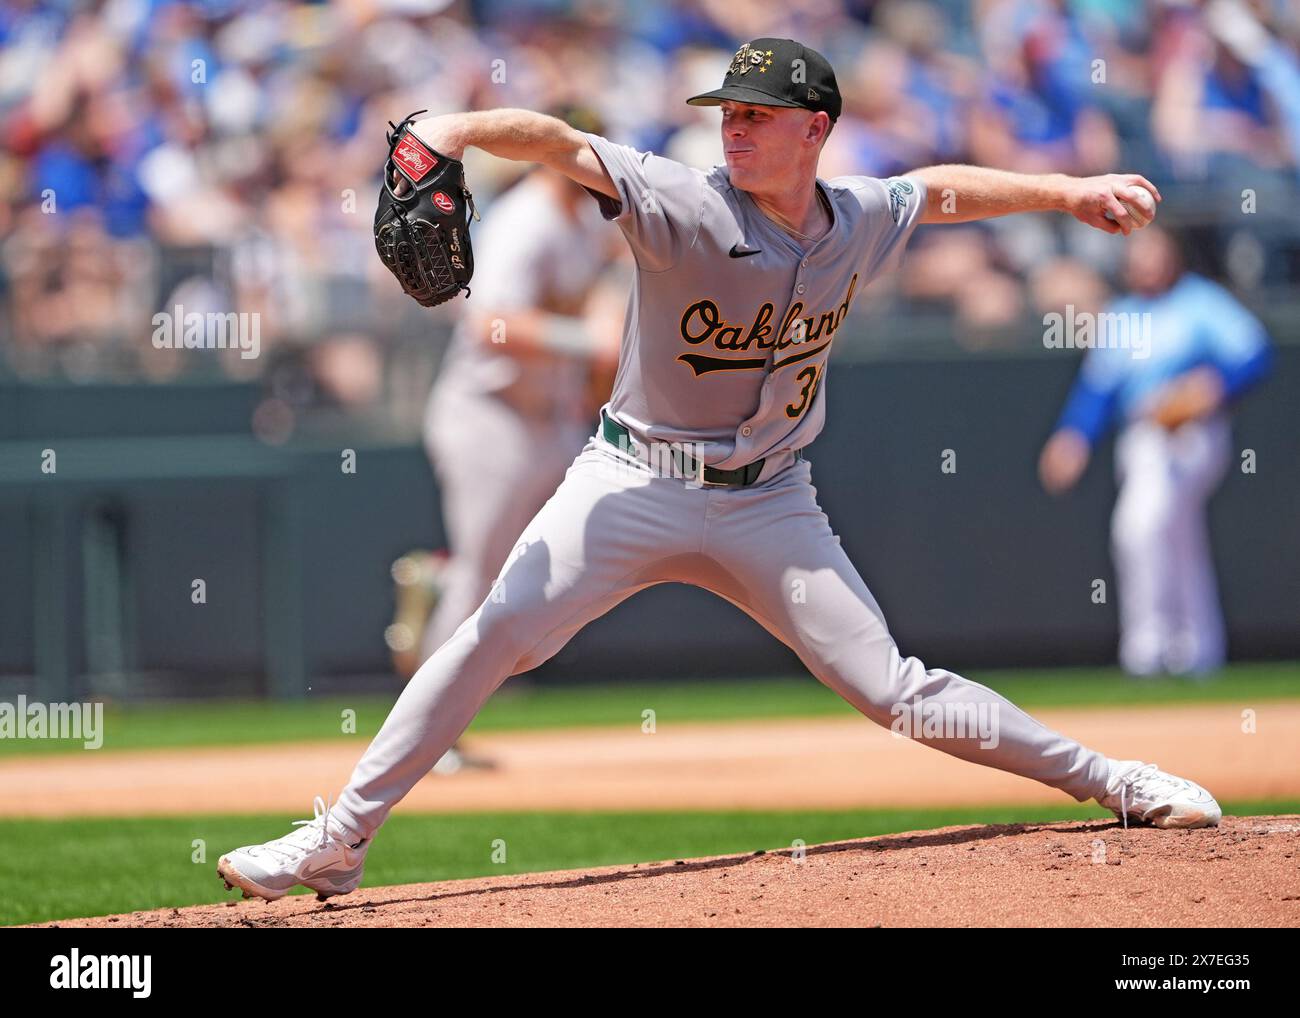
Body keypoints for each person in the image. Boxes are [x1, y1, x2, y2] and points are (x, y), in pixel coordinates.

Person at [218, 38, 1223, 904]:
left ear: (814, 128)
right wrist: (456, 127)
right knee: (494, 635)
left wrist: (1072, 192)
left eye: (757, 115)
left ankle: (1113, 779)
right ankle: (339, 838)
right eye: (727, 113)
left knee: (894, 690)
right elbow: (562, 144)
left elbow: (946, 189)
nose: (734, 131)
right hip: (629, 482)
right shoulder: (679, 201)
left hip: (772, 499)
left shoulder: (858, 215)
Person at [383, 109, 621, 772]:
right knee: (485, 577)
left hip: (547, 417)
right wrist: (586, 342)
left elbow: (603, 294)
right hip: (490, 415)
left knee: (537, 567)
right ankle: (428, 742)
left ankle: (438, 579)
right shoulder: (527, 219)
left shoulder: (578, 221)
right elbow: (489, 324)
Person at [1039, 224, 1272, 676]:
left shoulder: (1200, 302)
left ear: (1172, 256)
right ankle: (1198, 650)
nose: (1144, 262)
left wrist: (1214, 385)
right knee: (1177, 538)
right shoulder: (1122, 315)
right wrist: (1073, 436)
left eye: (1153, 251)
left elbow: (1255, 354)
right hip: (1142, 438)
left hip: (1191, 436)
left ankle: (1147, 651)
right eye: (1137, 253)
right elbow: (1097, 391)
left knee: (1140, 526)